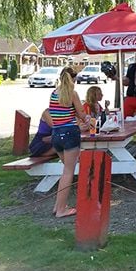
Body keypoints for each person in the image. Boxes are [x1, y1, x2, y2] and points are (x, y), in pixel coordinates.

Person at [49, 66, 91, 217]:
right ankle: (61, 210)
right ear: (74, 79)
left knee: (65, 171)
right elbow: (81, 113)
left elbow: (56, 115)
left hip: (56, 135)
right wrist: (87, 120)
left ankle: (58, 205)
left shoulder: (54, 93)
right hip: (70, 134)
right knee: (69, 172)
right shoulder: (72, 94)